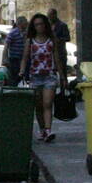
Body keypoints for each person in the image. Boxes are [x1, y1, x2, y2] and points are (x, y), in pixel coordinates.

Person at [20, 12, 67, 142]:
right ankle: (42, 129)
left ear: (45, 25)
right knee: (38, 106)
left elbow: (56, 58)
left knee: (47, 103)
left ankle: (48, 130)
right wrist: (22, 70)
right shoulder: (30, 41)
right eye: (36, 25)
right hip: (34, 76)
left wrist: (62, 76)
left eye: (41, 24)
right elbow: (25, 57)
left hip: (49, 76)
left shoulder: (51, 40)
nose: (39, 27)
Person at [5, 16, 27, 86]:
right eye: (25, 22)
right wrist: (5, 59)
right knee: (15, 77)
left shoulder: (26, 33)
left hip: (24, 59)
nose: (26, 23)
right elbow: (6, 46)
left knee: (23, 77)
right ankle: (15, 91)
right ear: (21, 24)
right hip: (14, 60)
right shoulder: (13, 33)